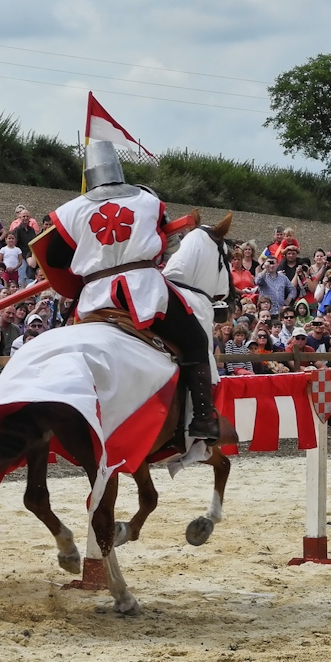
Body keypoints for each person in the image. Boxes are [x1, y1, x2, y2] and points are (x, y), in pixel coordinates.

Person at [33, 141, 219, 441]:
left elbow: (53, 258)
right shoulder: (147, 199)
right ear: (119, 171)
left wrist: (91, 255)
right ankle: (203, 419)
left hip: (96, 298)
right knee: (196, 339)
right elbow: (169, 244)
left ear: (89, 175)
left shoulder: (72, 210)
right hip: (145, 291)